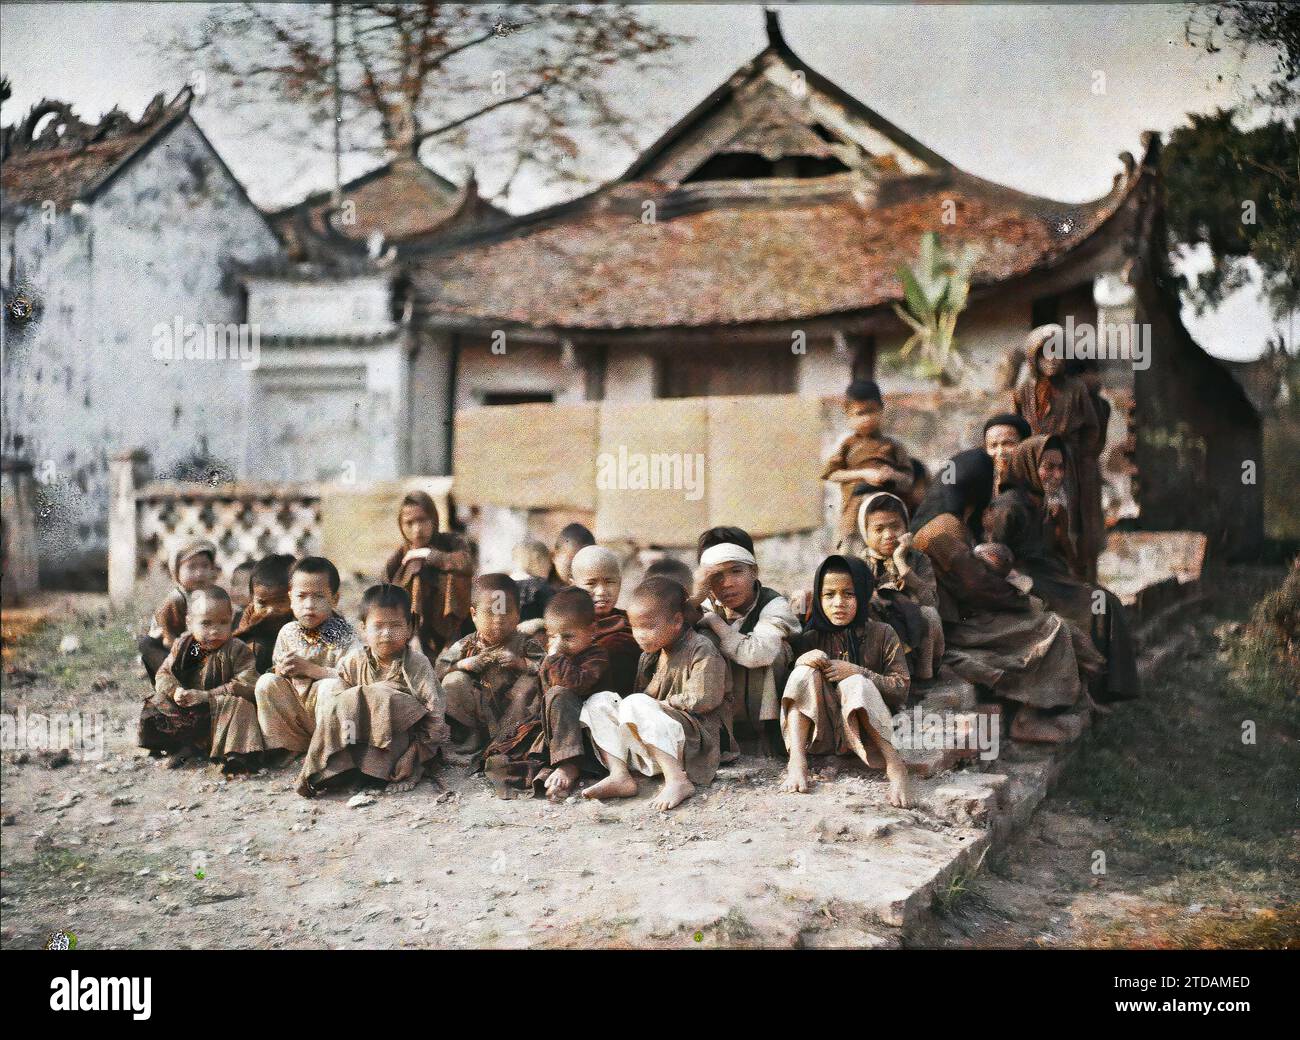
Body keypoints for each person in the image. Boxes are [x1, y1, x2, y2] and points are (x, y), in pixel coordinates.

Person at [910, 448, 1095, 743]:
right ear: (975, 484)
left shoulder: (957, 520)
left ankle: (1064, 707)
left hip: (966, 614)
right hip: (952, 627)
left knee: (1051, 622)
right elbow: (977, 586)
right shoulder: (942, 529)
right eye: (990, 477)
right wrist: (1020, 598)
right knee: (1049, 628)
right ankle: (1027, 718)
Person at [984, 435, 1139, 703]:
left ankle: (1109, 688)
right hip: (1025, 582)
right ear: (1029, 466)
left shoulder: (1041, 503)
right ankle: (1094, 691)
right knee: (1093, 609)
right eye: (1048, 467)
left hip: (1050, 577)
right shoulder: (1009, 506)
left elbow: (1063, 554)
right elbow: (991, 556)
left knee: (1106, 601)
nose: (1056, 475)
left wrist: (1060, 526)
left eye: (1060, 467)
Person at [581, 576, 728, 811]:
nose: (639, 635)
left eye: (649, 626)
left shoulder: (700, 648)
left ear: (677, 621)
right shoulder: (651, 654)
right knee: (599, 701)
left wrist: (661, 703)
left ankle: (677, 779)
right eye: (635, 627)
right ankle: (620, 775)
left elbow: (705, 698)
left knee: (636, 703)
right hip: (658, 741)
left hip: (692, 743)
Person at [781, 555, 912, 806]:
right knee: (802, 671)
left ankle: (895, 766)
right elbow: (791, 694)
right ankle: (797, 760)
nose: (838, 603)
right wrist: (802, 660)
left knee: (855, 683)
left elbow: (901, 690)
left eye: (849, 594)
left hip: (868, 734)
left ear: (862, 595)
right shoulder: (810, 638)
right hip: (824, 733)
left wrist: (858, 671)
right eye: (829, 595)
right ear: (819, 598)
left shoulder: (882, 633)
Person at [297, 584, 448, 797]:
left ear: (409, 628)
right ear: (363, 629)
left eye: (395, 625)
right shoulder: (353, 662)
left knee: (384, 695)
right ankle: (352, 770)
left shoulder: (417, 664)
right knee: (343, 701)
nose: (386, 633)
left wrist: (413, 756)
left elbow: (435, 716)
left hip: (402, 744)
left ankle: (403, 771)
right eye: (378, 626)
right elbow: (338, 712)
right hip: (361, 740)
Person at [694, 528, 800, 758]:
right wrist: (695, 598)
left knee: (776, 650)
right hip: (726, 712)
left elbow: (757, 654)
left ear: (754, 571)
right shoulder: (708, 603)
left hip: (765, 717)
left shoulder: (773, 604)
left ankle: (769, 741)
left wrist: (715, 622)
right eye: (716, 576)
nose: (727, 584)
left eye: (736, 571)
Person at [1012, 325, 1105, 582]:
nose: (1052, 360)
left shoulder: (1075, 389)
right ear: (1034, 358)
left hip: (1067, 462)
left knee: (1070, 520)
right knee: (1037, 517)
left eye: (1058, 353)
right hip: (1035, 461)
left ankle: (1076, 577)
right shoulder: (1025, 389)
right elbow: (1018, 423)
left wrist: (1077, 455)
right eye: (1045, 354)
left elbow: (1092, 428)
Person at [138, 586, 262, 773]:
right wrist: (176, 691)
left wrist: (207, 696)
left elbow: (248, 682)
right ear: (189, 623)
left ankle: (233, 756)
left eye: (223, 623)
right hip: (191, 712)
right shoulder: (189, 647)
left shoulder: (235, 649)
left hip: (220, 713)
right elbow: (164, 674)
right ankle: (183, 747)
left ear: (232, 622)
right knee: (156, 701)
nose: (214, 631)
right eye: (206, 623)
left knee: (239, 706)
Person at [254, 557, 358, 766]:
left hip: (333, 717)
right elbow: (278, 672)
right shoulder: (288, 632)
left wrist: (311, 669)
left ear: (334, 599)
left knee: (331, 686)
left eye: (319, 597)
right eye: (301, 597)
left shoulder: (344, 633)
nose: (309, 605)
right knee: (265, 682)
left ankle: (332, 751)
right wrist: (281, 671)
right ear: (291, 598)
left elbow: (354, 677)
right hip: (299, 712)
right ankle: (287, 746)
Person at [434, 573, 544, 768]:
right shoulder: (466, 644)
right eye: (490, 612)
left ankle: (507, 744)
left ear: (518, 614)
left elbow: (547, 667)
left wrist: (522, 663)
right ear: (474, 615)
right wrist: (463, 664)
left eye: (505, 612)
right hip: (479, 713)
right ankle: (473, 736)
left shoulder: (526, 643)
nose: (498, 620)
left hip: (513, 716)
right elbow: (439, 667)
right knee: (454, 681)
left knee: (531, 682)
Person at [856, 492, 945, 681]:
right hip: (880, 633)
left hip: (916, 630)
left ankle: (924, 676)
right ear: (865, 532)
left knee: (929, 614)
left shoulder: (918, 559)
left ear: (906, 526)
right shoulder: (859, 563)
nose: (889, 535)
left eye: (895, 526)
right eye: (879, 529)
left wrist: (901, 563)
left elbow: (930, 600)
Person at [820, 379, 915, 552]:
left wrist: (892, 474)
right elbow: (831, 474)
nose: (867, 418)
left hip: (886, 514)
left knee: (889, 556)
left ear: (881, 410)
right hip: (853, 512)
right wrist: (864, 474)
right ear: (848, 415)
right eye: (860, 413)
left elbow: (908, 480)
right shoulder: (847, 445)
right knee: (852, 555)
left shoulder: (892, 446)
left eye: (872, 412)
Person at [383, 490, 474, 659]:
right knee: (416, 569)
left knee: (455, 573)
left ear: (434, 519)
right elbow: (385, 593)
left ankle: (451, 642)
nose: (417, 529)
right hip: (414, 629)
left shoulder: (452, 542)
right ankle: (414, 638)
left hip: (453, 623)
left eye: (423, 520)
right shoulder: (397, 558)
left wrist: (428, 554)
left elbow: (466, 563)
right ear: (401, 526)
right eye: (409, 523)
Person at [138, 539, 218, 682]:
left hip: (205, 648)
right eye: (191, 567)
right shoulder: (176, 600)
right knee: (148, 645)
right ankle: (174, 683)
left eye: (205, 566)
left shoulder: (214, 596)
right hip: (175, 651)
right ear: (176, 572)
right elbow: (169, 638)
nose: (199, 573)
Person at [231, 554, 295, 674]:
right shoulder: (243, 626)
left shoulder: (305, 625)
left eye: (280, 602)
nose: (271, 610)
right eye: (262, 603)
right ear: (252, 599)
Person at [982, 413, 1032, 487]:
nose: (1001, 452)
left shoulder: (1038, 488)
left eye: (1008, 444)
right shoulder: (981, 489)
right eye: (993, 445)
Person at [510, 539, 555, 622]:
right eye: (549, 562)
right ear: (537, 560)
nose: (550, 568)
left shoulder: (503, 586)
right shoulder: (542, 588)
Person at [551, 523, 596, 587]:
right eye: (570, 566)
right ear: (554, 556)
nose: (576, 573)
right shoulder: (538, 592)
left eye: (584, 567)